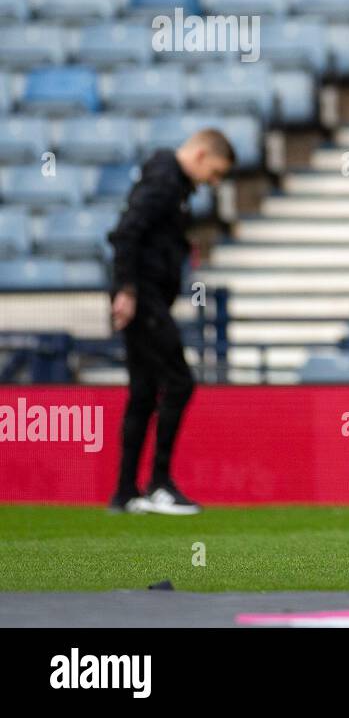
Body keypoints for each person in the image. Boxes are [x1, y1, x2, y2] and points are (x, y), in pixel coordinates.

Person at [106, 128, 235, 515]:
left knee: (144, 390)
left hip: (146, 295)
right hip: (142, 298)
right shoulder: (164, 183)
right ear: (199, 155)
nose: (212, 182)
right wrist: (127, 289)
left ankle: (126, 492)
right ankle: (159, 484)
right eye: (213, 173)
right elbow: (125, 233)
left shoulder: (168, 183)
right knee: (179, 381)